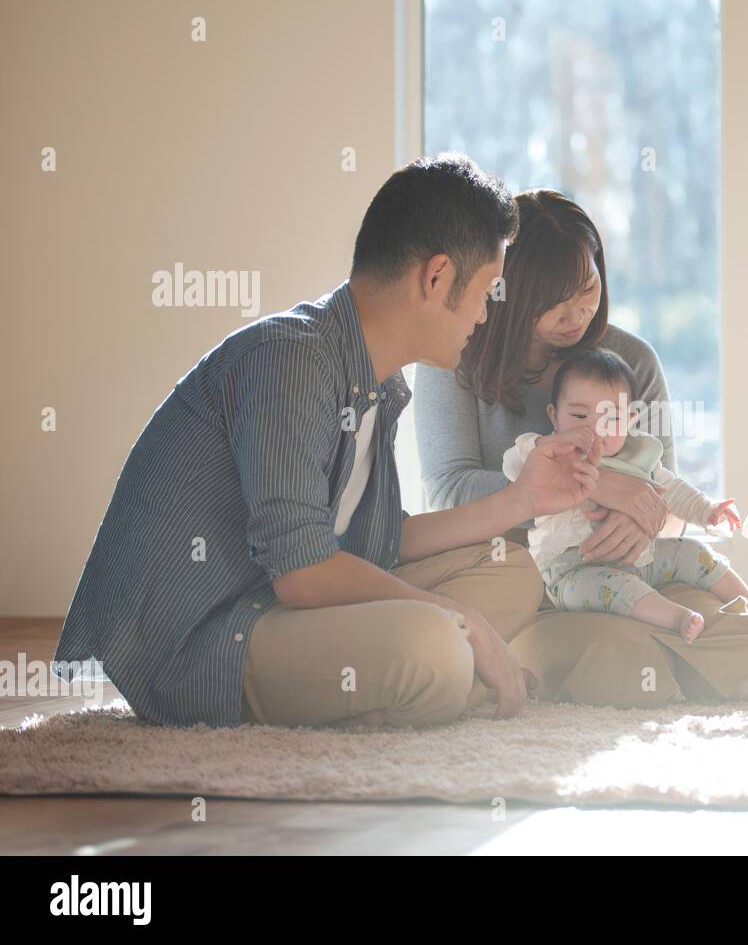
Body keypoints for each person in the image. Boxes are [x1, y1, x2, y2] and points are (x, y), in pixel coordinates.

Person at [53, 154, 601, 730]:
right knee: (435, 646)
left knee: (511, 571)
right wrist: (461, 621)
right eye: (488, 291)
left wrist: (523, 500)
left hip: (282, 609)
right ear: (436, 279)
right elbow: (303, 572)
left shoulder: (376, 381)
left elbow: (381, 539)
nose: (487, 315)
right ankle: (418, 685)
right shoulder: (292, 360)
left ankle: (391, 694)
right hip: (209, 640)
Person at [414, 189, 748, 706]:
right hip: (527, 571)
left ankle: (655, 654)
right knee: (630, 667)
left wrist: (643, 516)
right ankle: (639, 662)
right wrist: (593, 488)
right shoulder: (457, 357)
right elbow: (448, 492)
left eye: (588, 287)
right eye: (553, 300)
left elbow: (666, 500)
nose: (578, 313)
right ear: (508, 292)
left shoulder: (630, 360)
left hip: (634, 565)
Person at [504, 348, 748, 643]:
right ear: (554, 415)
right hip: (572, 571)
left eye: (610, 418)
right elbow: (511, 466)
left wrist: (709, 510)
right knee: (613, 586)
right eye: (578, 415)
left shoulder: (638, 456)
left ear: (630, 419)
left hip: (640, 561)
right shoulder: (546, 452)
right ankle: (676, 617)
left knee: (692, 552)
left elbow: (673, 490)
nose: (593, 428)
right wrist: (552, 457)